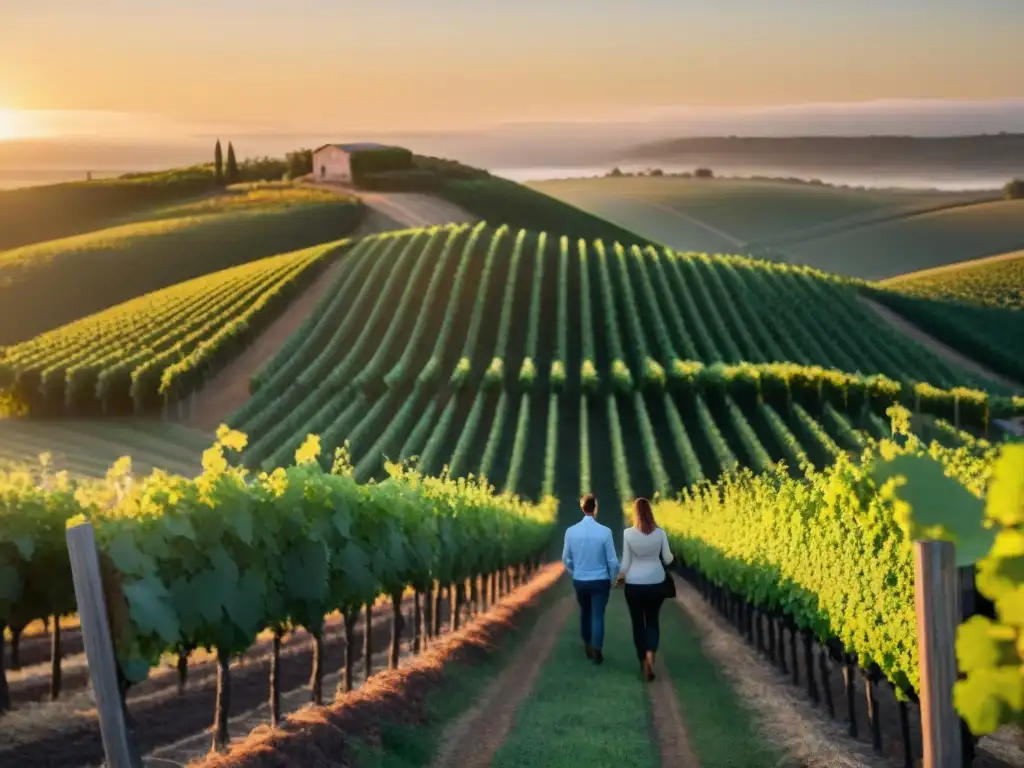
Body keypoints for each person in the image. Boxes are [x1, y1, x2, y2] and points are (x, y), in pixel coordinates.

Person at [617, 497, 674, 681]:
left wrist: (620, 576)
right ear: (650, 512)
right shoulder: (660, 533)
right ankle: (651, 652)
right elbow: (668, 558)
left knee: (637, 623)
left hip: (634, 584)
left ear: (635, 513)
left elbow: (625, 562)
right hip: (656, 582)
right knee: (652, 620)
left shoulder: (628, 534)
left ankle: (642, 658)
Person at [562, 494, 619, 665]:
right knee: (598, 615)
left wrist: (575, 571)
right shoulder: (605, 532)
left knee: (585, 613)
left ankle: (587, 644)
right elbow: (613, 561)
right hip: (600, 580)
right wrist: (613, 577)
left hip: (580, 580)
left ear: (582, 507)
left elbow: (566, 558)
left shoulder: (571, 531)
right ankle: (597, 649)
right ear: (595, 508)